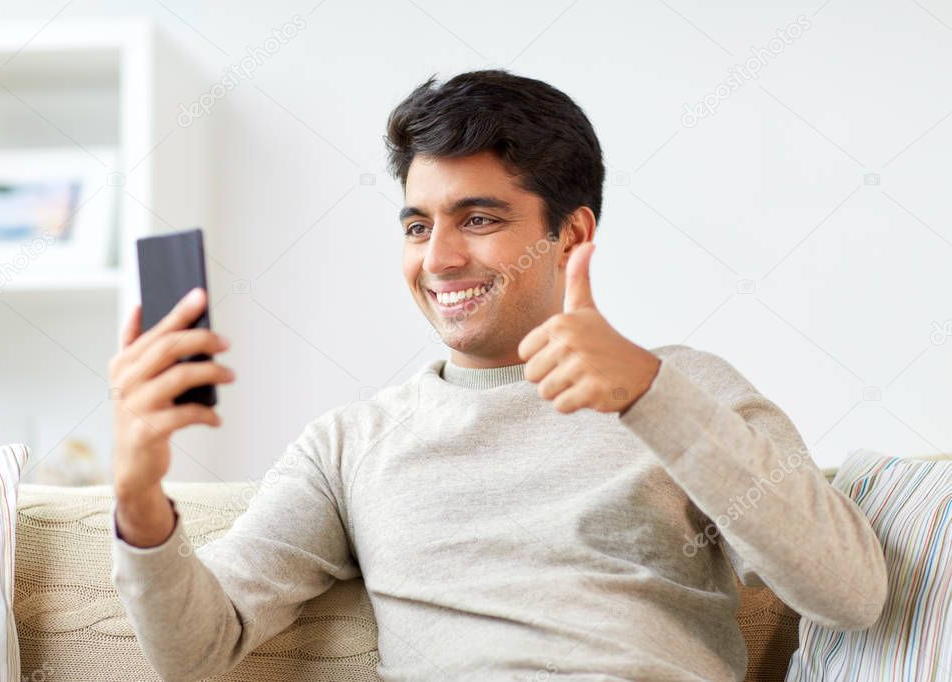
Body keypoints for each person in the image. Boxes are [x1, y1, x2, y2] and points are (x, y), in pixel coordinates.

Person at [108, 69, 887, 681]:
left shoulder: (688, 389)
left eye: (478, 220)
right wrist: (139, 495)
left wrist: (651, 395)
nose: (439, 259)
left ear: (570, 233)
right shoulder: (349, 444)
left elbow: (849, 592)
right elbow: (198, 647)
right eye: (418, 225)